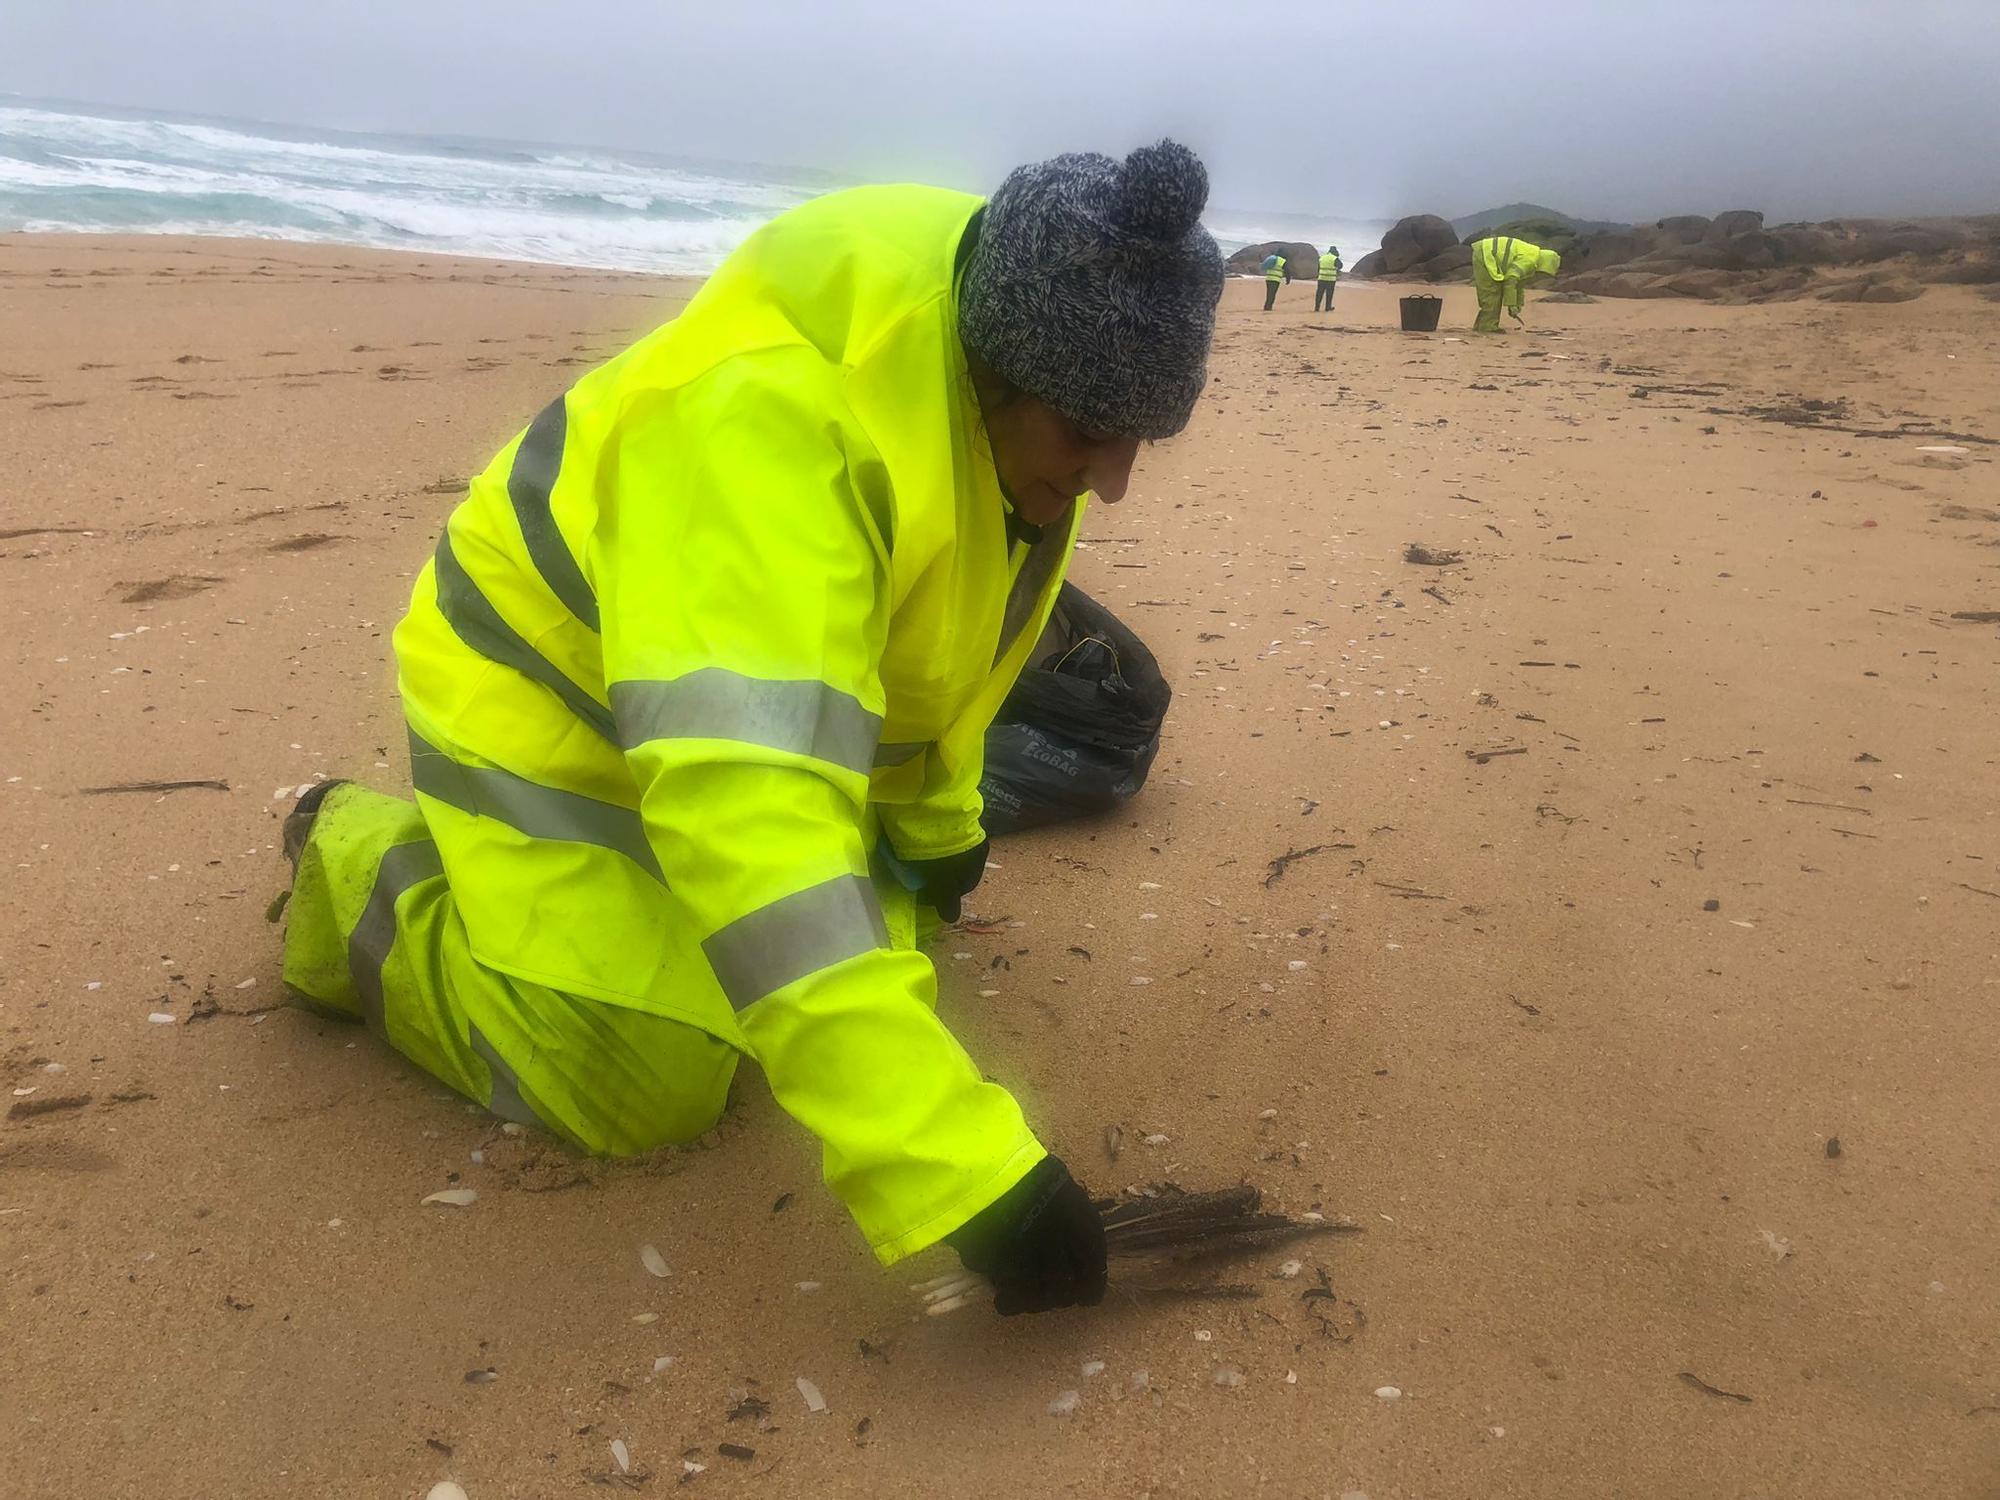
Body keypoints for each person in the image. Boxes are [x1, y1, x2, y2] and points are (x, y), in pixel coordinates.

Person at [278, 140, 1223, 1317]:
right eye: (1091, 434)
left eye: (1139, 438)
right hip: (543, 700)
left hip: (715, 682)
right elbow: (750, 808)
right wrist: (966, 1181)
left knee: (868, 957)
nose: (1114, 479)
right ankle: (357, 857)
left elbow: (949, 633)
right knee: (635, 1079)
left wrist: (936, 825)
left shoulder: (1011, 364)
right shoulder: (767, 419)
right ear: (999, 368)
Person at [1471, 234, 1561, 332]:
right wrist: (1511, 305)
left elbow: (1519, 285)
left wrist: (1517, 304)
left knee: (1493, 293)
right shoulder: (1529, 261)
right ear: (1545, 264)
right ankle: (1487, 327)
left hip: (1486, 251)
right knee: (1492, 293)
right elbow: (1511, 280)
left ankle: (1482, 325)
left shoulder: (1532, 257)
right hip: (1486, 254)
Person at [1314, 245, 1342, 312]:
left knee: (1319, 293)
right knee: (1329, 294)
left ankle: (1317, 307)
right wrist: (1336, 269)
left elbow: (1318, 267)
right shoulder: (1334, 258)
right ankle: (1327, 307)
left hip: (1321, 278)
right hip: (1331, 279)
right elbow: (1340, 265)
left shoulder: (1322, 257)